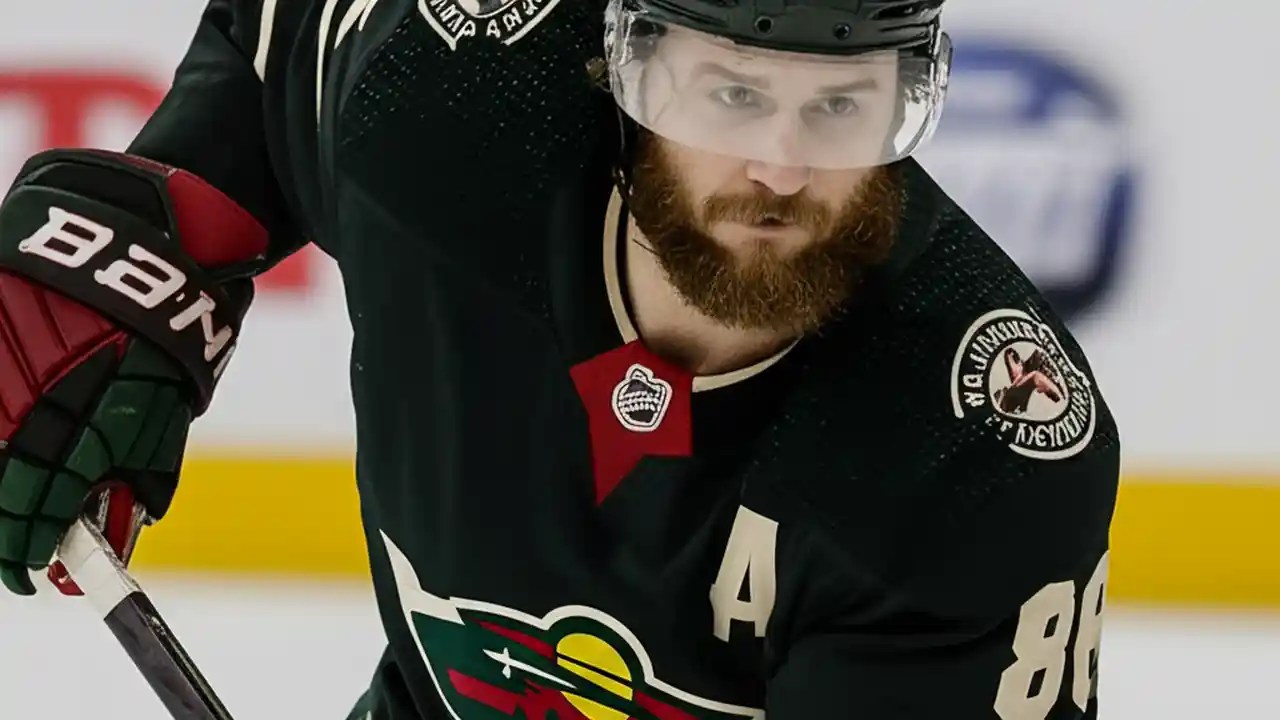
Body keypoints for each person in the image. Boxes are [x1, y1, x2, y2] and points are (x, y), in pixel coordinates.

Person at [0, 0, 1120, 718]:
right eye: (732, 93)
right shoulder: (445, 114)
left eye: (837, 107)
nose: (778, 168)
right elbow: (269, 43)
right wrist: (135, 257)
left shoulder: (974, 451)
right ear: (625, 64)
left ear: (907, 102)